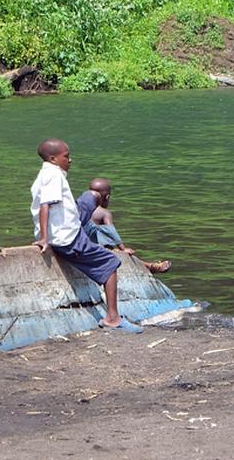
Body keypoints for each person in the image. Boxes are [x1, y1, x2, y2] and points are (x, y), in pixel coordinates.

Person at [31, 138, 142, 333]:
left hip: (66, 227)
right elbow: (45, 205)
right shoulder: (53, 176)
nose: (70, 160)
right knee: (110, 262)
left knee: (88, 198)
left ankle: (95, 198)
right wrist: (44, 239)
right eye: (66, 156)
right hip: (67, 238)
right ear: (53, 158)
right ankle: (112, 318)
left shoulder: (47, 174)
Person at [78, 178, 170, 274]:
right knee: (124, 254)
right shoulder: (104, 212)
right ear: (107, 197)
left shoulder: (81, 208)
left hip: (81, 243)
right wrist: (123, 248)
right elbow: (111, 231)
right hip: (93, 246)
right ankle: (150, 266)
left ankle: (150, 266)